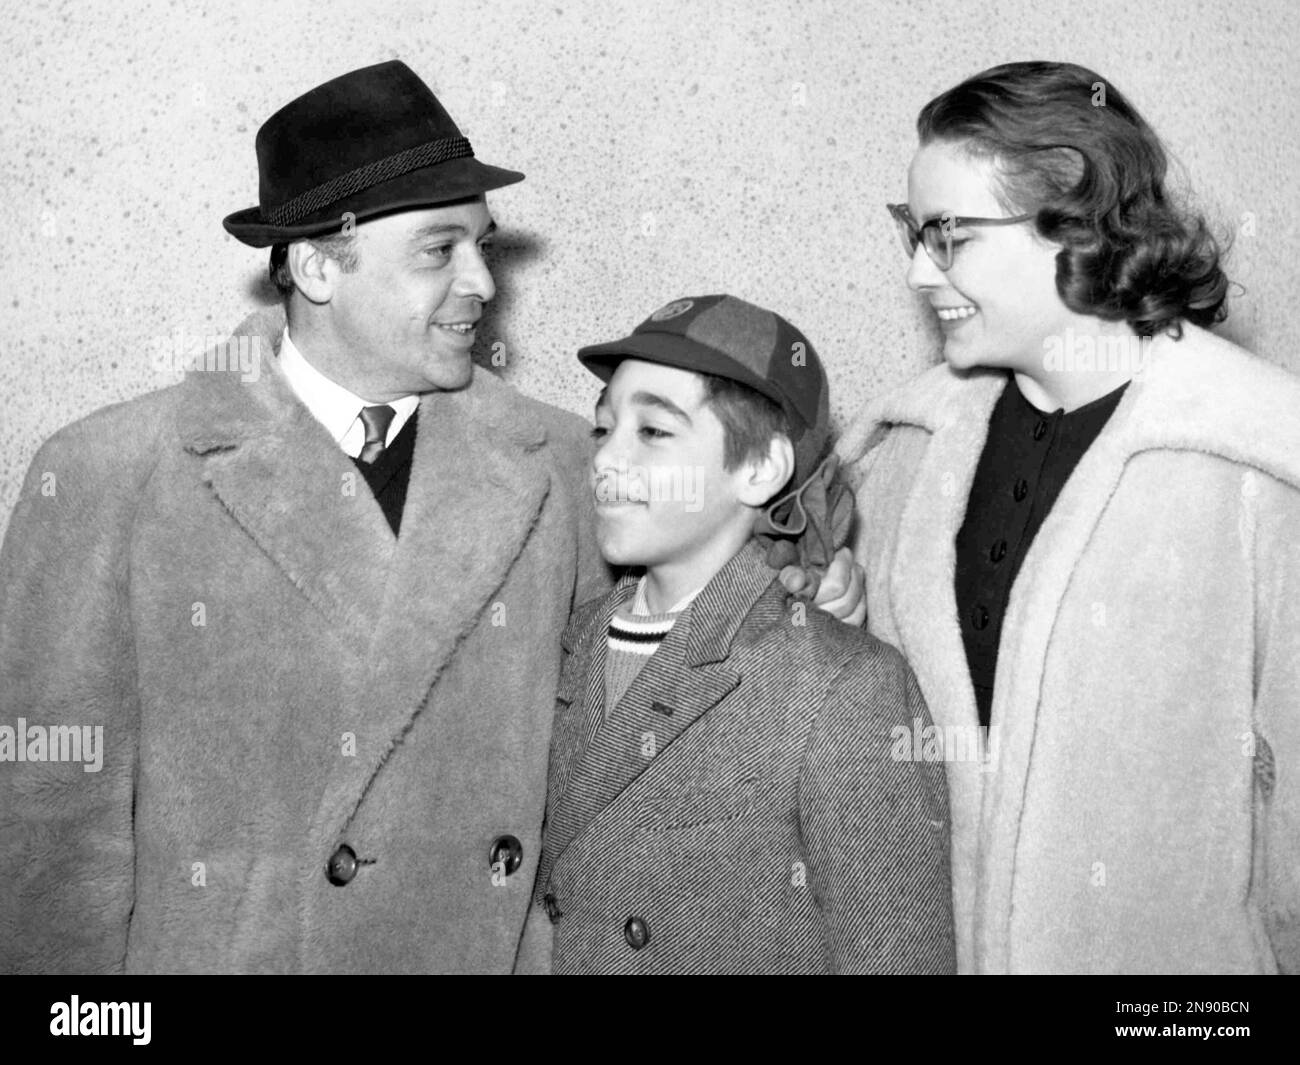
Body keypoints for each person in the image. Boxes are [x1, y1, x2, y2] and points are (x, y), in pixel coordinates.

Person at [0, 61, 860, 974]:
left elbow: (684, 670)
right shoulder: (110, 475)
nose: (483, 283)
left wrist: (803, 579)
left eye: (481, 245)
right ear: (317, 265)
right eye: (438, 249)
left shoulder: (569, 467)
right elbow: (50, 838)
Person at [839, 60, 1300, 974]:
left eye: (948, 234)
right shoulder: (898, 454)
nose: (916, 268)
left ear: (1075, 221)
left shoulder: (1262, 464)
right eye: (911, 229)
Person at [522, 294, 955, 974]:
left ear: (761, 470)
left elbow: (897, 956)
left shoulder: (844, 685)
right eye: (604, 429)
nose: (607, 458)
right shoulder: (571, 642)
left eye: (654, 433)